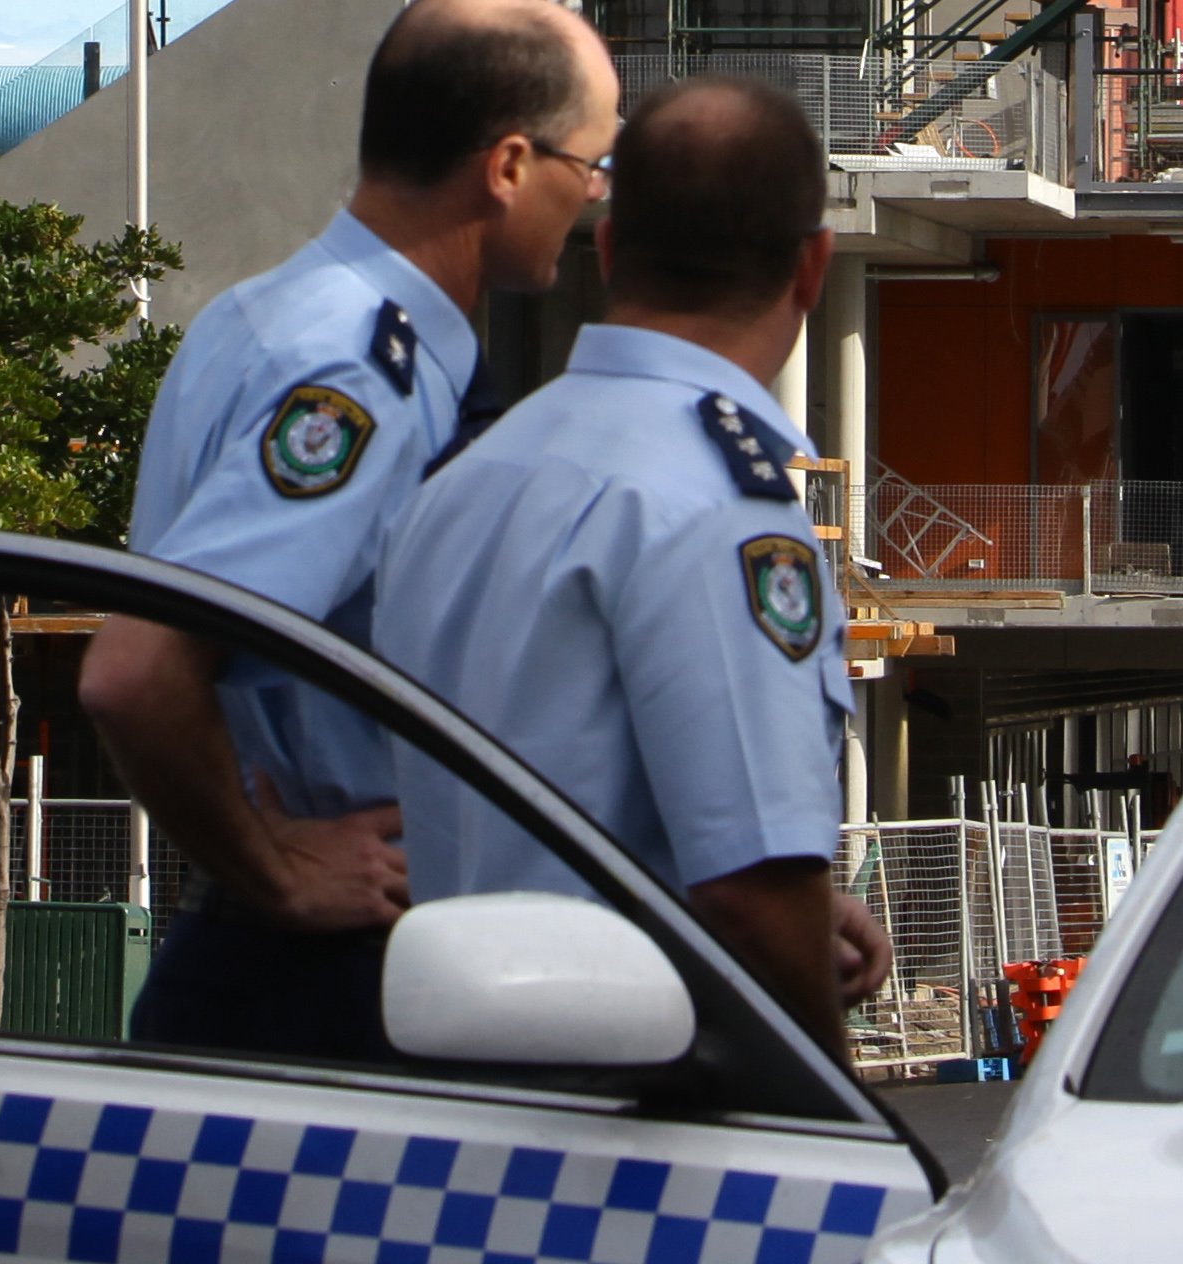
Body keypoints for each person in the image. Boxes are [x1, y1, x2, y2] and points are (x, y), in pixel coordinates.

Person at [74, 0, 617, 1061]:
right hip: (335, 975)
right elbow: (136, 669)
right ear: (508, 168)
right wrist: (276, 867)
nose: (595, 198)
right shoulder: (360, 371)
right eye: (588, 166)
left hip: (293, 959)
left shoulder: (263, 314)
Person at [370, 72, 893, 1047]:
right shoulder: (716, 504)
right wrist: (837, 1125)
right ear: (813, 269)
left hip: (452, 1094)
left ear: (608, 249)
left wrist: (799, 909)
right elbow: (752, 890)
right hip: (644, 1121)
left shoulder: (459, 487)